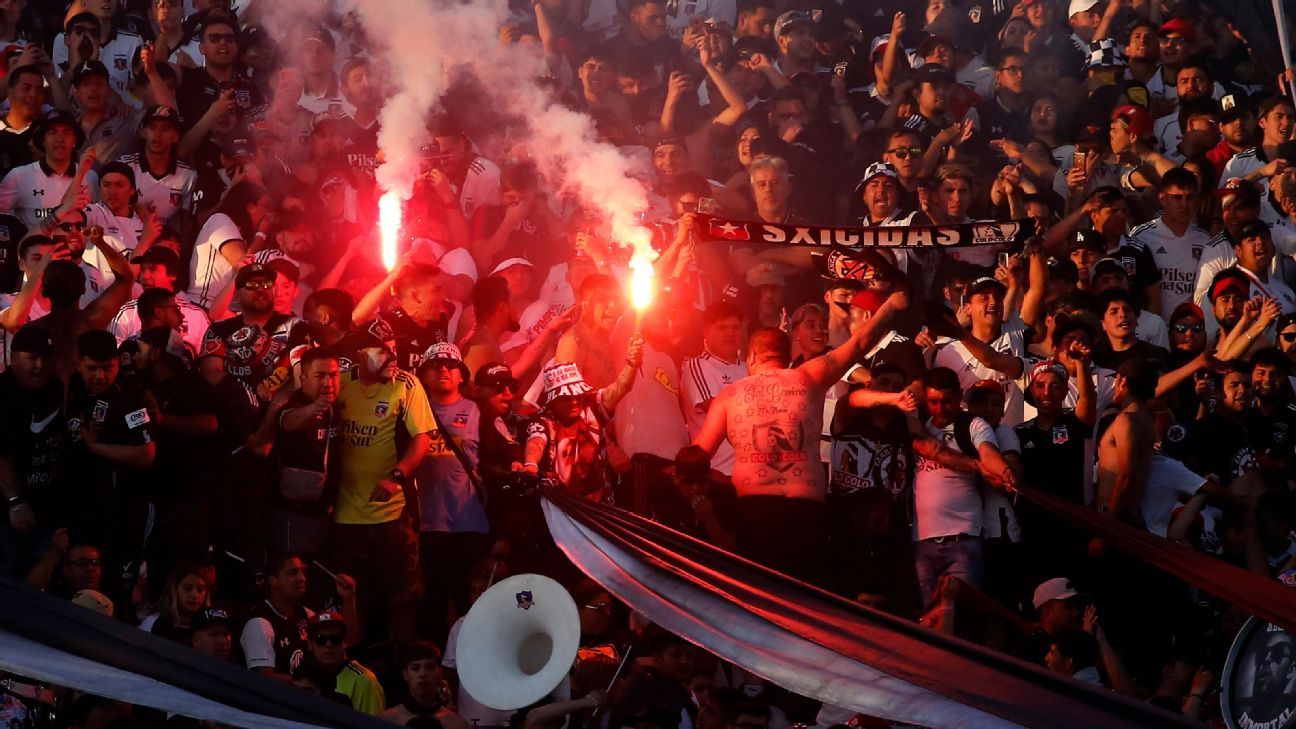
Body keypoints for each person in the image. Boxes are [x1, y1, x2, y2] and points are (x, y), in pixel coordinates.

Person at [691, 290, 908, 581]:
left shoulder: (730, 395)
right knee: (804, 606)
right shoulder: (809, 376)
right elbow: (860, 342)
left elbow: (695, 459)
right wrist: (891, 306)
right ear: (784, 354)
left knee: (761, 602)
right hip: (806, 511)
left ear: (751, 356)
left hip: (755, 513)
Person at [331, 330, 435, 644]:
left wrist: (396, 476)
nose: (393, 357)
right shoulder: (341, 381)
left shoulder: (406, 384)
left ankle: (404, 666)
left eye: (394, 348)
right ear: (360, 353)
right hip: (345, 515)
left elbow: (422, 438)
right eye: (383, 351)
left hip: (392, 514)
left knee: (402, 598)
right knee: (351, 598)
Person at [414, 342, 489, 643]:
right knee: (431, 606)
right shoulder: (412, 410)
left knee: (469, 607)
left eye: (450, 365)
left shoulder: (478, 411)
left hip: (469, 525)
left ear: (461, 375)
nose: (443, 369)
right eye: (435, 365)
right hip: (427, 526)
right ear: (424, 375)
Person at [523, 348, 644, 503]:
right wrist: (531, 466)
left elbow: (620, 387)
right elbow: (536, 443)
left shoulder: (591, 406)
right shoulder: (543, 420)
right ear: (553, 401)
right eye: (566, 398)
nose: (574, 402)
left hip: (601, 504)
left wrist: (632, 365)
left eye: (577, 395)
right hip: (562, 507)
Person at [681, 302, 747, 477]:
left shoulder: (750, 368)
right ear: (705, 331)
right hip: (717, 473)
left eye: (735, 327)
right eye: (722, 327)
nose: (730, 333)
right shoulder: (698, 366)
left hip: (750, 473)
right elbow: (718, 412)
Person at [240, 554, 313, 682]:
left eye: (303, 572)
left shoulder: (305, 614)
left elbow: (345, 642)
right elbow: (263, 680)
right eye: (293, 573)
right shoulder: (259, 623)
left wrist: (348, 599)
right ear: (273, 580)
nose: (302, 578)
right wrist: (305, 683)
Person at [302, 611, 385, 715]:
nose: (328, 644)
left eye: (335, 639)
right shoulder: (306, 676)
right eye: (320, 639)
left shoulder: (364, 680)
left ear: (345, 642)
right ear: (310, 644)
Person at [380, 641, 470, 729]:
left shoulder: (456, 724)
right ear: (405, 674)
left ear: (440, 673)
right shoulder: (386, 721)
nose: (423, 674)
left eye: (430, 667)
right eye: (415, 668)